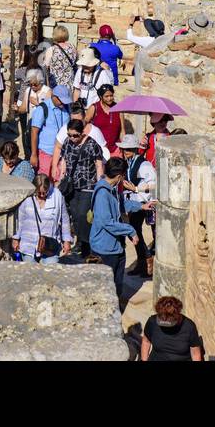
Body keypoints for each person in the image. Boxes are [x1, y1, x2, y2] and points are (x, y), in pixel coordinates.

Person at [90, 157, 147, 307]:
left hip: (115, 246)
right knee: (106, 287)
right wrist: (131, 230)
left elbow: (121, 204)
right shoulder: (103, 193)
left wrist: (141, 206)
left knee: (117, 283)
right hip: (105, 248)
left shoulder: (112, 189)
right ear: (119, 176)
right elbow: (107, 222)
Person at [54, 117, 104, 254]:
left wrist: (100, 185)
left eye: (75, 135)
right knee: (74, 215)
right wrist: (62, 177)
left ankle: (88, 243)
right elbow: (64, 160)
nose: (72, 138)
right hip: (71, 185)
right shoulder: (67, 142)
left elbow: (99, 165)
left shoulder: (92, 145)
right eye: (69, 135)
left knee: (83, 214)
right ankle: (80, 242)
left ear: (82, 133)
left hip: (88, 185)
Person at [11, 174, 72, 264]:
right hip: (29, 244)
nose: (42, 195)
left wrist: (67, 240)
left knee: (50, 270)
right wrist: (15, 239)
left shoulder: (57, 196)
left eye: (45, 192)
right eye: (39, 193)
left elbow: (64, 219)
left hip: (49, 246)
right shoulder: (27, 198)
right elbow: (20, 219)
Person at [120, 135, 157, 276]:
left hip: (143, 201)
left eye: (128, 149)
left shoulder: (144, 164)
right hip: (134, 201)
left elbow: (154, 183)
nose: (126, 152)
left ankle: (147, 261)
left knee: (134, 230)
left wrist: (136, 189)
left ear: (135, 149)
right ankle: (143, 262)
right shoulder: (129, 162)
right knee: (133, 230)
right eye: (124, 149)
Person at [141, 296, 204, 362]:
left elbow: (195, 353)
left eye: (168, 323)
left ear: (177, 316)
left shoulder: (189, 327)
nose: (165, 326)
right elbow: (146, 341)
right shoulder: (152, 322)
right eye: (162, 322)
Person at [29, 83, 71, 178]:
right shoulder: (42, 109)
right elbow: (34, 132)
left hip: (62, 154)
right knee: (45, 181)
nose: (63, 103)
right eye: (61, 100)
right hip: (46, 153)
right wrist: (34, 154)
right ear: (54, 97)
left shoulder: (67, 108)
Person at [85, 83, 124, 159]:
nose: (109, 98)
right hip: (97, 150)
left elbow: (122, 131)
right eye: (106, 96)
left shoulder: (119, 109)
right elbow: (85, 126)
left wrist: (123, 147)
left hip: (115, 149)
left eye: (111, 95)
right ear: (100, 97)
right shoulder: (94, 108)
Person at [41, 25, 77, 95]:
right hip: (70, 83)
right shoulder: (73, 47)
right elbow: (75, 61)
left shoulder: (51, 49)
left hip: (56, 84)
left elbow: (46, 66)